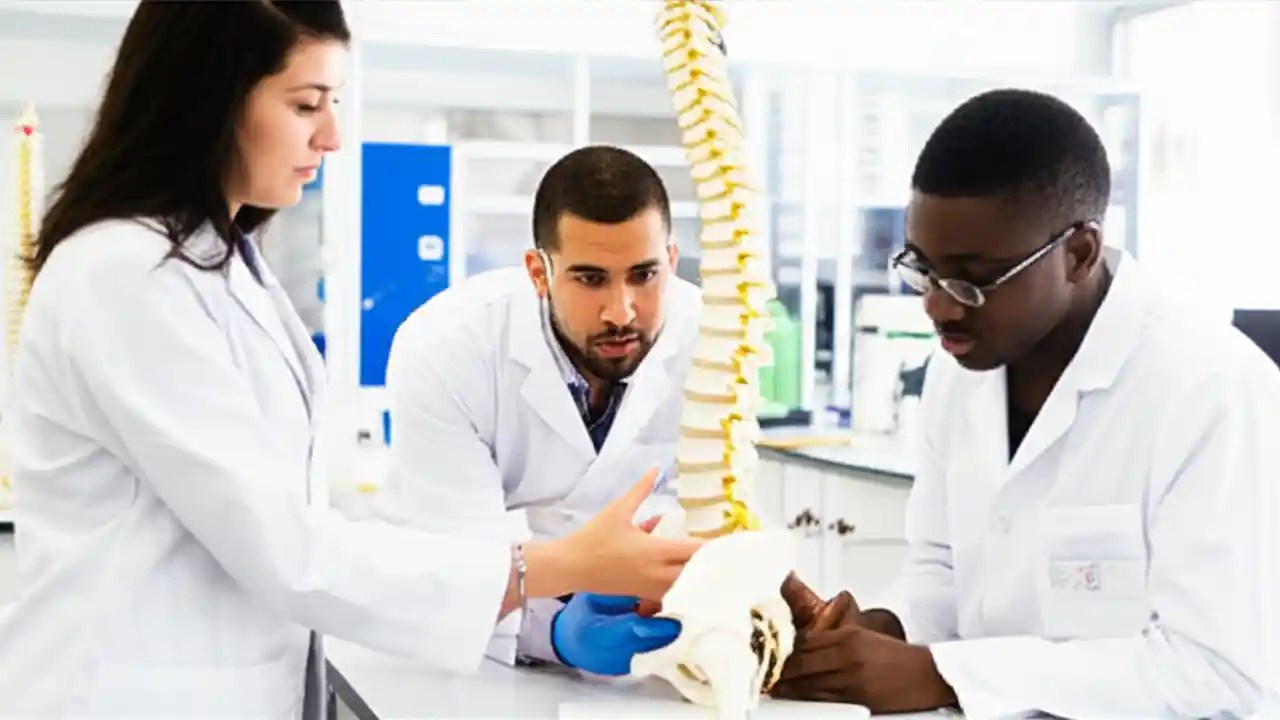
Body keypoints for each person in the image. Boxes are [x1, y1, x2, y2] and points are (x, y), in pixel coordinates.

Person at [0, 3, 700, 718]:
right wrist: (550, 569)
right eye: (307, 104)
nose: (332, 136)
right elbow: (286, 551)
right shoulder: (123, 276)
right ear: (211, 99)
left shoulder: (221, 267)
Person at [772, 88, 1280, 719]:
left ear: (1079, 253)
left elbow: (1218, 671)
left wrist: (941, 676)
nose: (938, 306)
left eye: (974, 278)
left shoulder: (1213, 389)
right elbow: (942, 570)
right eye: (923, 270)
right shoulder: (959, 370)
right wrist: (883, 630)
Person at [376, 144, 703, 676]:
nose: (621, 312)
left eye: (643, 275)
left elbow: (714, 518)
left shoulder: (710, 341)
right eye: (590, 278)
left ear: (671, 260)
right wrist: (553, 632)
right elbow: (456, 567)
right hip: (470, 662)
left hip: (654, 666)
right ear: (538, 271)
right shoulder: (446, 348)